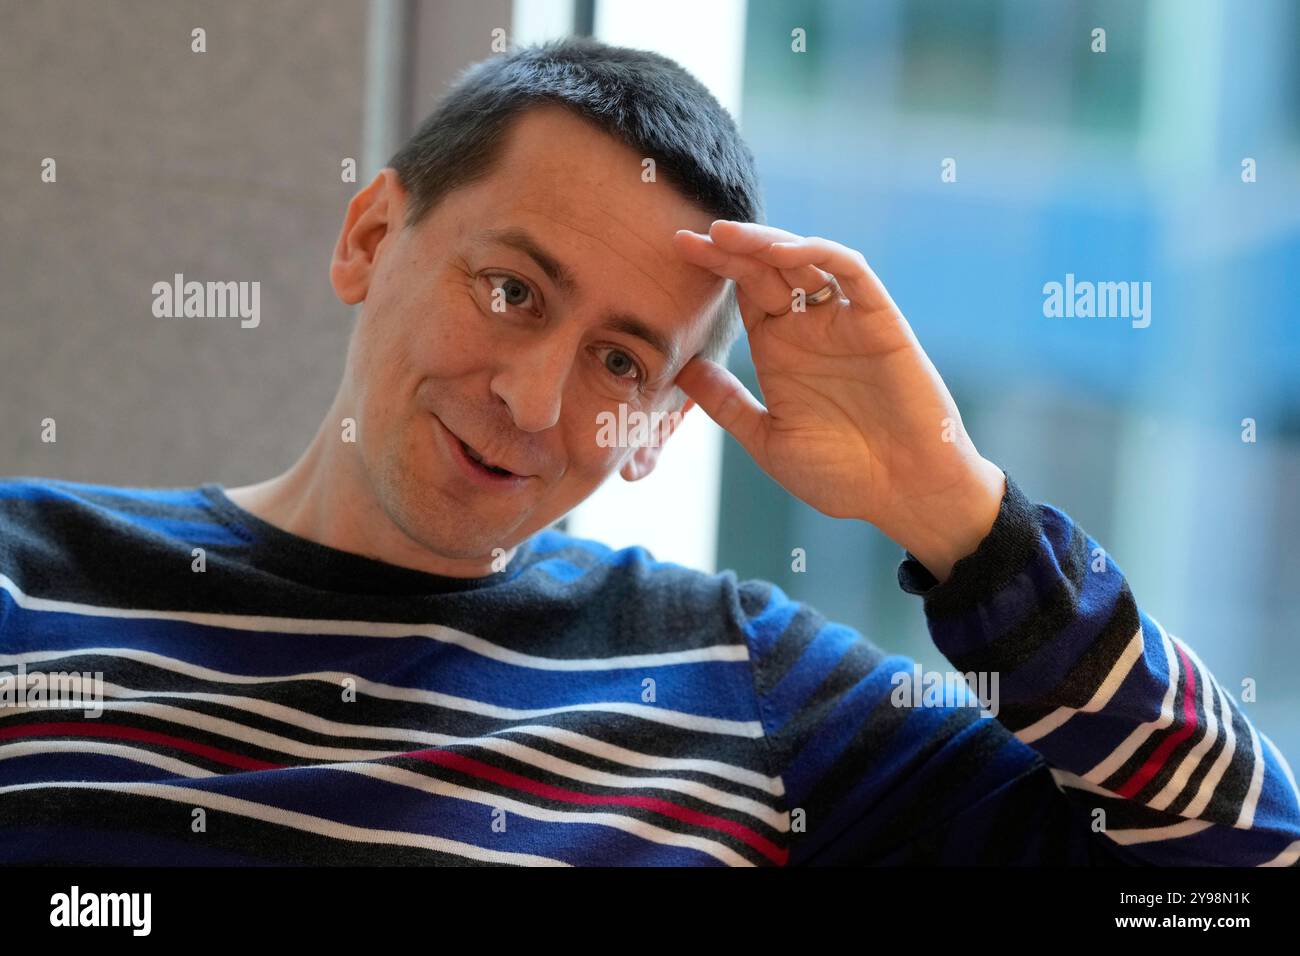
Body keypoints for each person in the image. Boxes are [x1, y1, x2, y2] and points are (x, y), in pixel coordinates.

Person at [1, 37, 1296, 867]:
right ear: (368, 236)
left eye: (623, 362)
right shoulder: (26, 586)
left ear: (662, 423)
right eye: (511, 290)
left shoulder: (749, 693)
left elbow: (1241, 859)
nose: (531, 394)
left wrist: (956, 510)